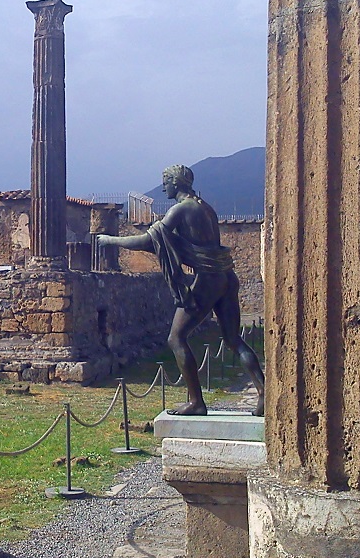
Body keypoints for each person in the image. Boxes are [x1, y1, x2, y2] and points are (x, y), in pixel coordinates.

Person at [96, 165, 265, 416]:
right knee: (233, 339)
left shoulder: (181, 209)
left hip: (207, 279)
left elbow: (148, 241)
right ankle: (264, 394)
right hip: (226, 277)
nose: (164, 186)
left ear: (177, 182)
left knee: (175, 338)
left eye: (166, 181)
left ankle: (196, 402)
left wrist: (111, 240)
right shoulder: (205, 207)